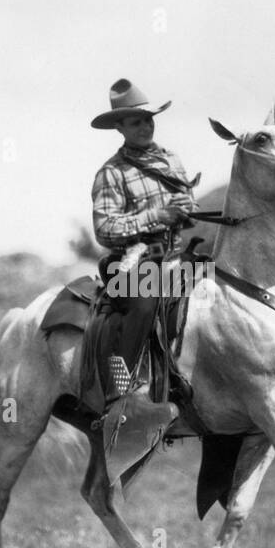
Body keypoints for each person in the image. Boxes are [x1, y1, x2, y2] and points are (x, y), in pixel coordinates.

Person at [89, 79, 199, 461]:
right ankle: (124, 395)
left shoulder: (172, 160)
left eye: (148, 119)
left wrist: (184, 211)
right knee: (144, 300)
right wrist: (156, 216)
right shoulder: (112, 173)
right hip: (134, 261)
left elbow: (185, 208)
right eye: (135, 121)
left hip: (176, 256)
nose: (145, 126)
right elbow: (105, 228)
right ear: (119, 127)